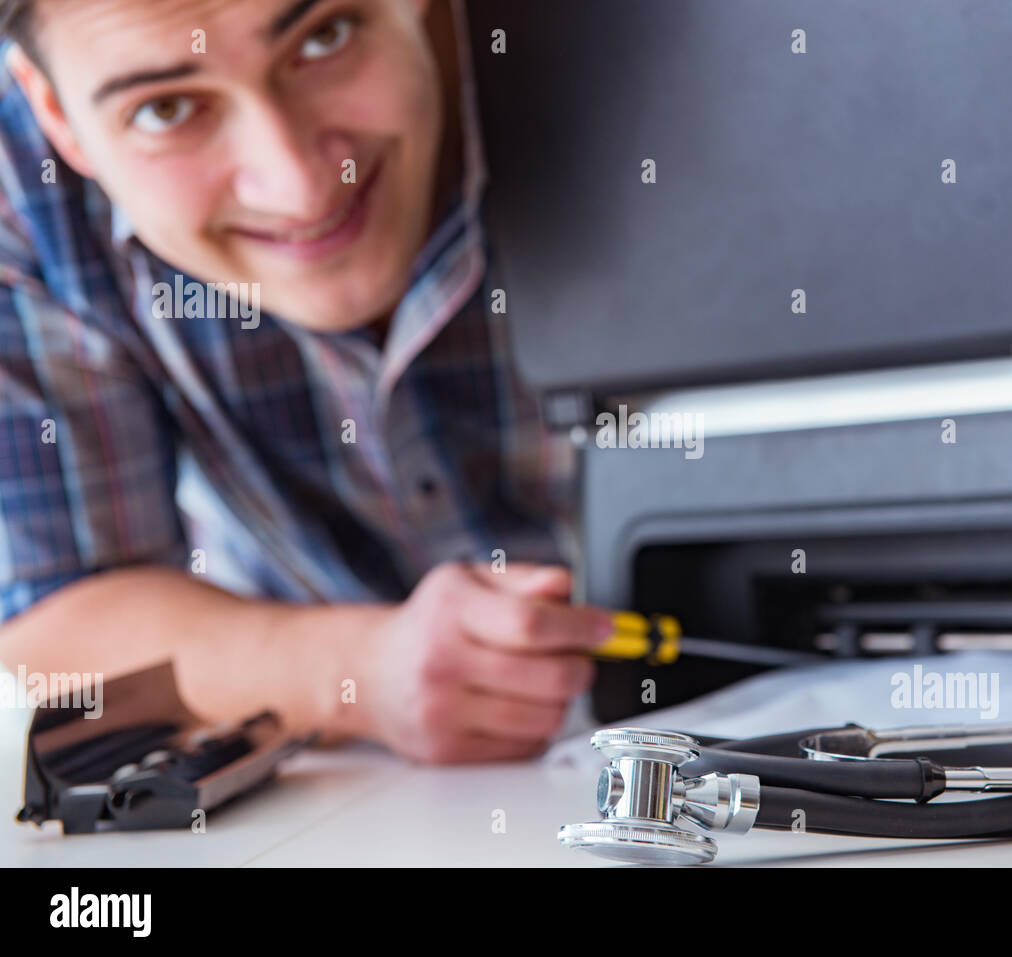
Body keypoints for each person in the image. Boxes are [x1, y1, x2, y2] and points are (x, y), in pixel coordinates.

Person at [0, 0, 614, 763]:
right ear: (53, 110)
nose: (297, 186)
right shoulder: (17, 189)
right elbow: (57, 614)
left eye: (324, 37)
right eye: (166, 108)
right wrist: (366, 671)